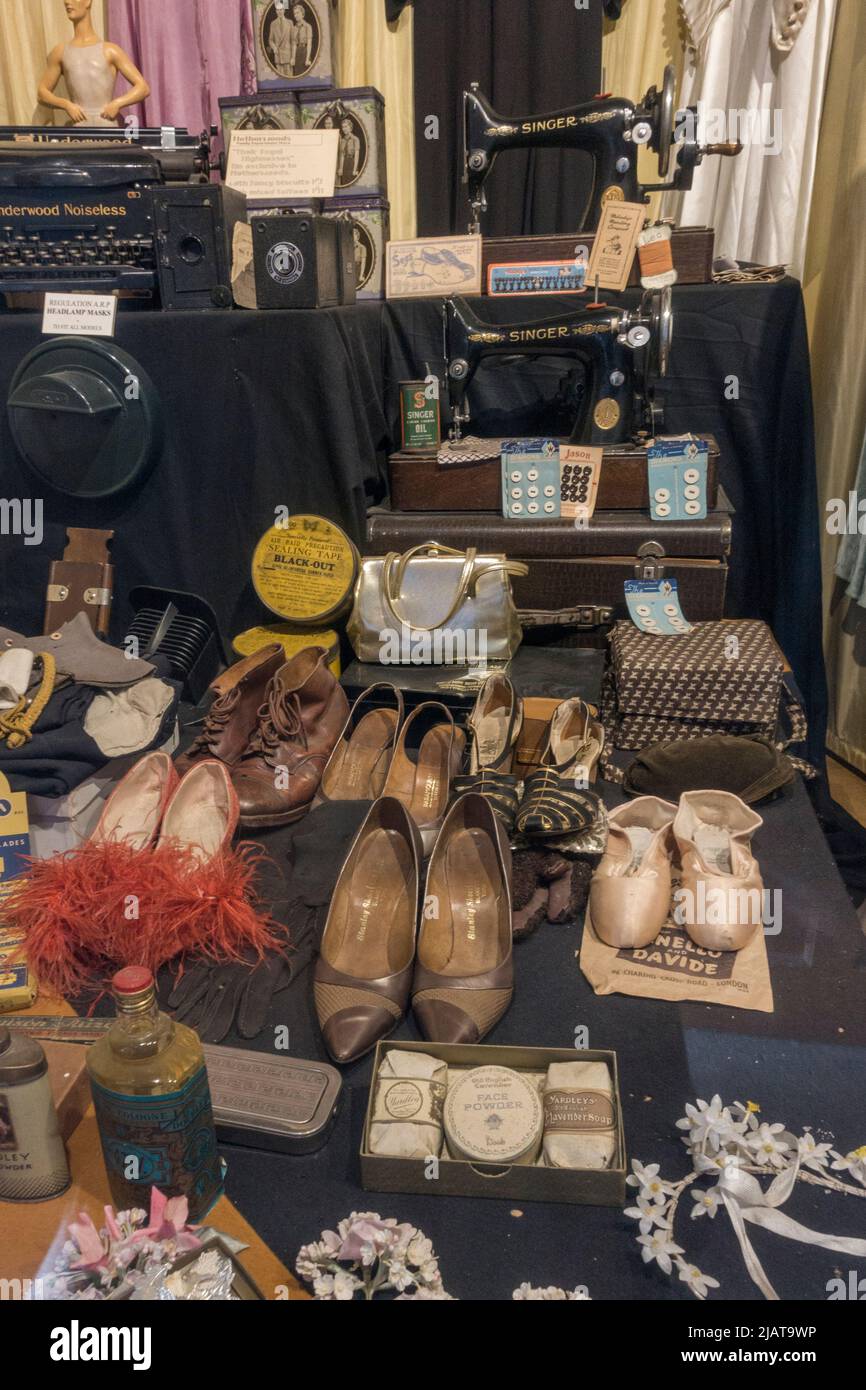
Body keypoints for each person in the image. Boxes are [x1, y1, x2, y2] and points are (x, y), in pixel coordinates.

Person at [38, 0, 149, 128]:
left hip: (107, 128)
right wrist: (66, 104)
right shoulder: (60, 52)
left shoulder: (110, 51)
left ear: (88, 2)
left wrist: (117, 103)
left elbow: (143, 88)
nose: (67, 2)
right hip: (78, 131)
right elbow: (42, 93)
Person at [269, 3, 294, 75]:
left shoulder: (290, 22)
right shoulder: (273, 24)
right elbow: (270, 40)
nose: (279, 11)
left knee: (290, 79)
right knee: (279, 81)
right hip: (278, 56)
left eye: (281, 9)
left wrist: (293, 57)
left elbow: (293, 41)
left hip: (288, 56)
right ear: (276, 11)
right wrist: (274, 48)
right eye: (278, 10)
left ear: (284, 10)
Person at [291, 3, 314, 76]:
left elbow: (309, 44)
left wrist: (307, 59)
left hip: (305, 51)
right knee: (297, 74)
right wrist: (293, 58)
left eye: (297, 13)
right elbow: (294, 44)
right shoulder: (294, 28)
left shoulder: (308, 26)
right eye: (294, 14)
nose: (296, 15)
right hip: (297, 52)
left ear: (302, 14)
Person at [338, 115, 361, 185]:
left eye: (346, 126)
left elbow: (356, 156)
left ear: (350, 128)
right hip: (344, 164)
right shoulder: (342, 140)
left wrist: (355, 169)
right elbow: (342, 155)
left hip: (352, 163)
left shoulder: (355, 139)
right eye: (342, 127)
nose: (344, 129)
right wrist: (341, 168)